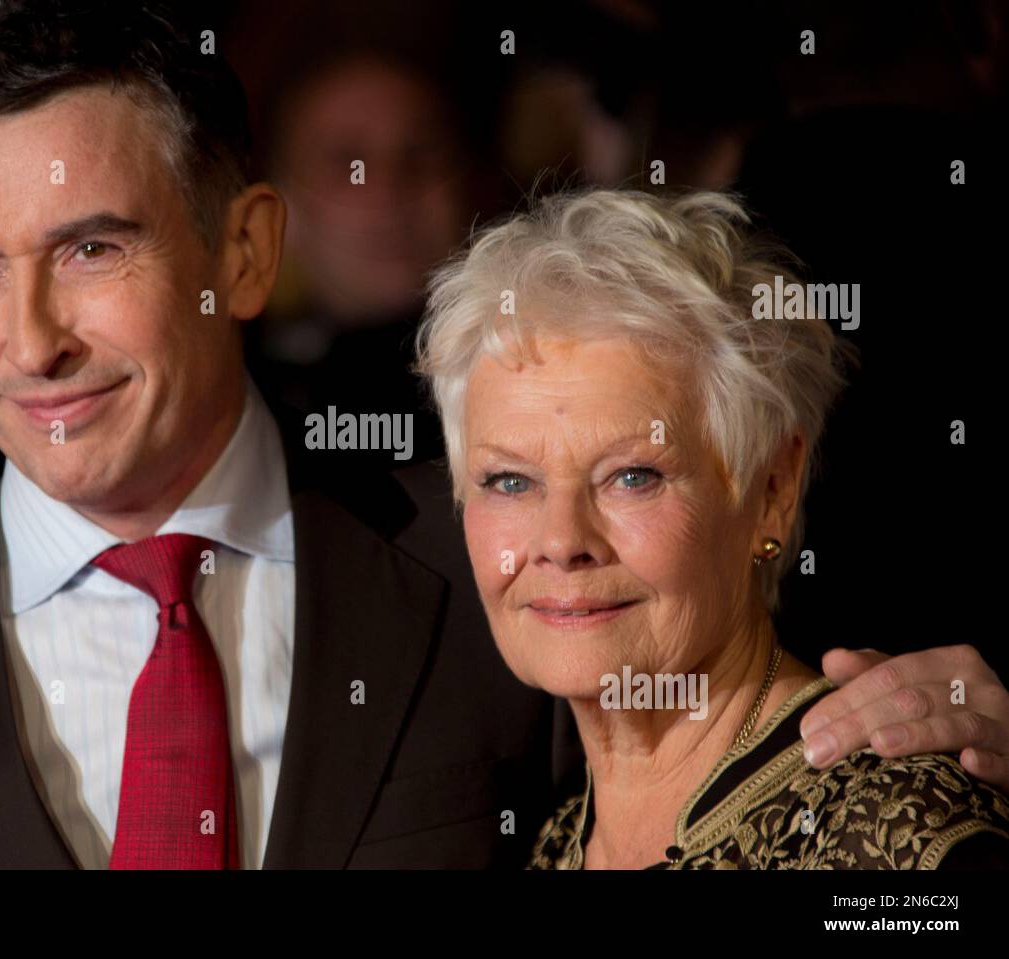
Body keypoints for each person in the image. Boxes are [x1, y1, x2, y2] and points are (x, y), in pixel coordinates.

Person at [0, 1, 1006, 870]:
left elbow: (766, 740)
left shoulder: (515, 561)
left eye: (92, 249)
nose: (29, 339)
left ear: (248, 246)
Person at [415, 188, 1009, 868]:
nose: (560, 540)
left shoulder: (896, 831)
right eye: (510, 481)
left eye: (632, 475)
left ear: (771, 491)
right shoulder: (554, 844)